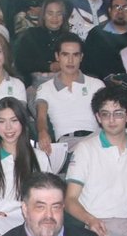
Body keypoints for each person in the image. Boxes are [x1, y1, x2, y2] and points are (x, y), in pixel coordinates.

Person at [65, 84, 127, 236]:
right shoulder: (85, 149)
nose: (111, 120)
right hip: (96, 224)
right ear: (98, 117)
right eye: (105, 114)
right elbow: (70, 199)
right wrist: (91, 220)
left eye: (118, 114)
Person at [0, 97, 52, 236]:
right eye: (2, 122)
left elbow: (50, 200)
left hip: (33, 226)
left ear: (23, 122)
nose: (8, 128)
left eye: (14, 121)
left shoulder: (40, 158)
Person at [33, 33, 105, 161]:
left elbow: (106, 115)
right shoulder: (45, 88)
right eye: (65, 54)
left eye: (75, 55)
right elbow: (41, 118)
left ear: (81, 57)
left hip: (95, 140)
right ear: (57, 56)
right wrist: (42, 132)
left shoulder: (96, 84)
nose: (70, 61)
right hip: (67, 145)